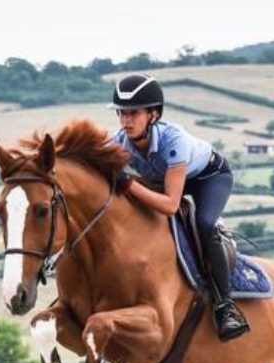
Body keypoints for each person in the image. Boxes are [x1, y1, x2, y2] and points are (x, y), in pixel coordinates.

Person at [107, 73, 250, 341]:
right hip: (166, 182)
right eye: (121, 113)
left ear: (153, 114)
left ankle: (226, 306)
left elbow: (172, 205)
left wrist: (128, 185)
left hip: (208, 179)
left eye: (133, 113)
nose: (126, 120)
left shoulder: (174, 140)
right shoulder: (118, 142)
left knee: (205, 223)